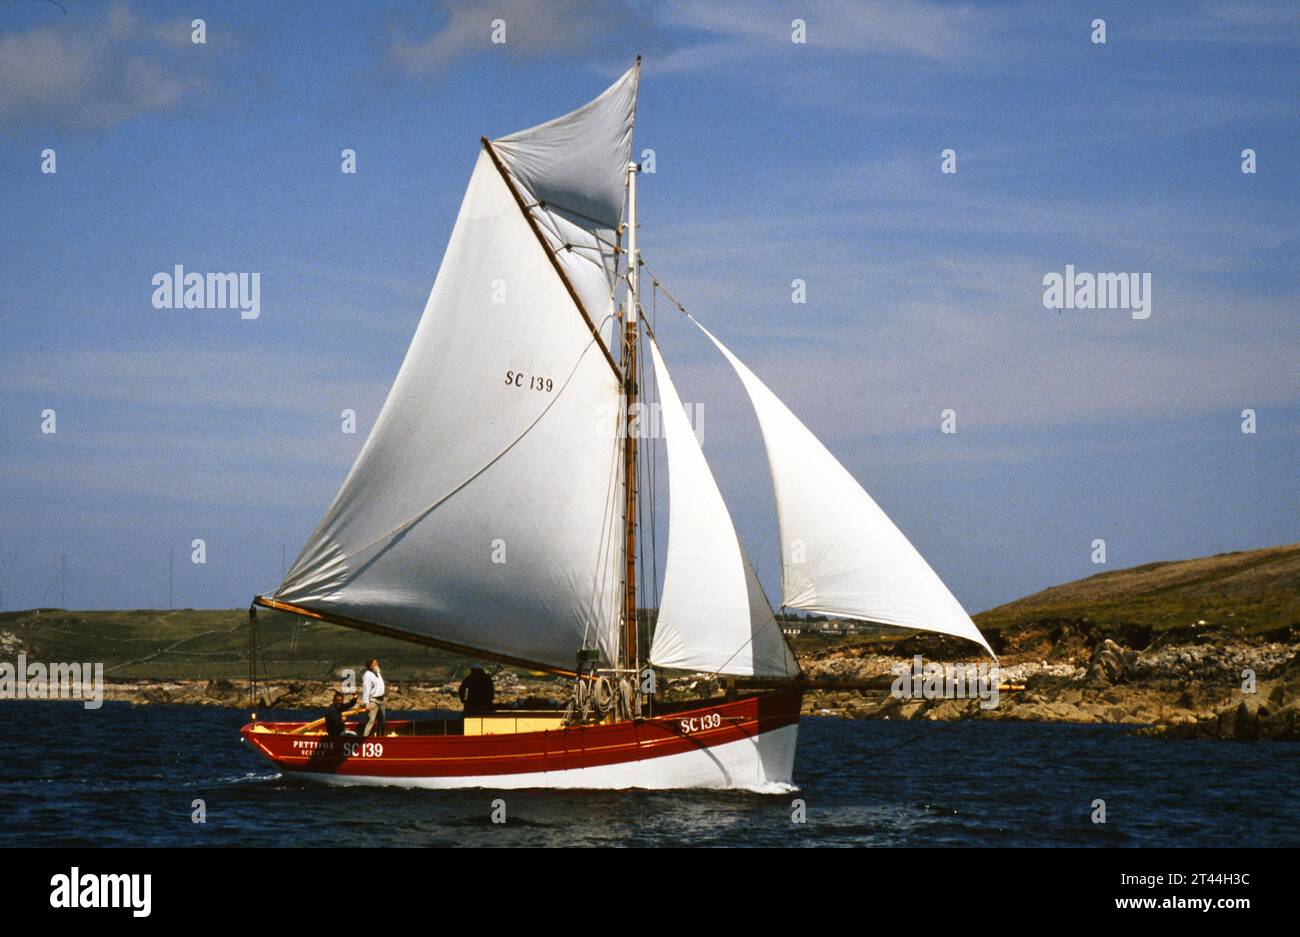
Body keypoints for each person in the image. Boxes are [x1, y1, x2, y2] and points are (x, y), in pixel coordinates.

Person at [360, 658, 386, 737]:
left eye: (377, 663)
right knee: (371, 720)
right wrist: (366, 703)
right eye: (375, 664)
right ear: (370, 666)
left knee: (382, 721)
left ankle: (380, 737)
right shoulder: (368, 675)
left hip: (381, 700)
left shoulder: (378, 673)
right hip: (373, 701)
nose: (377, 665)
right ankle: (365, 738)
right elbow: (366, 689)